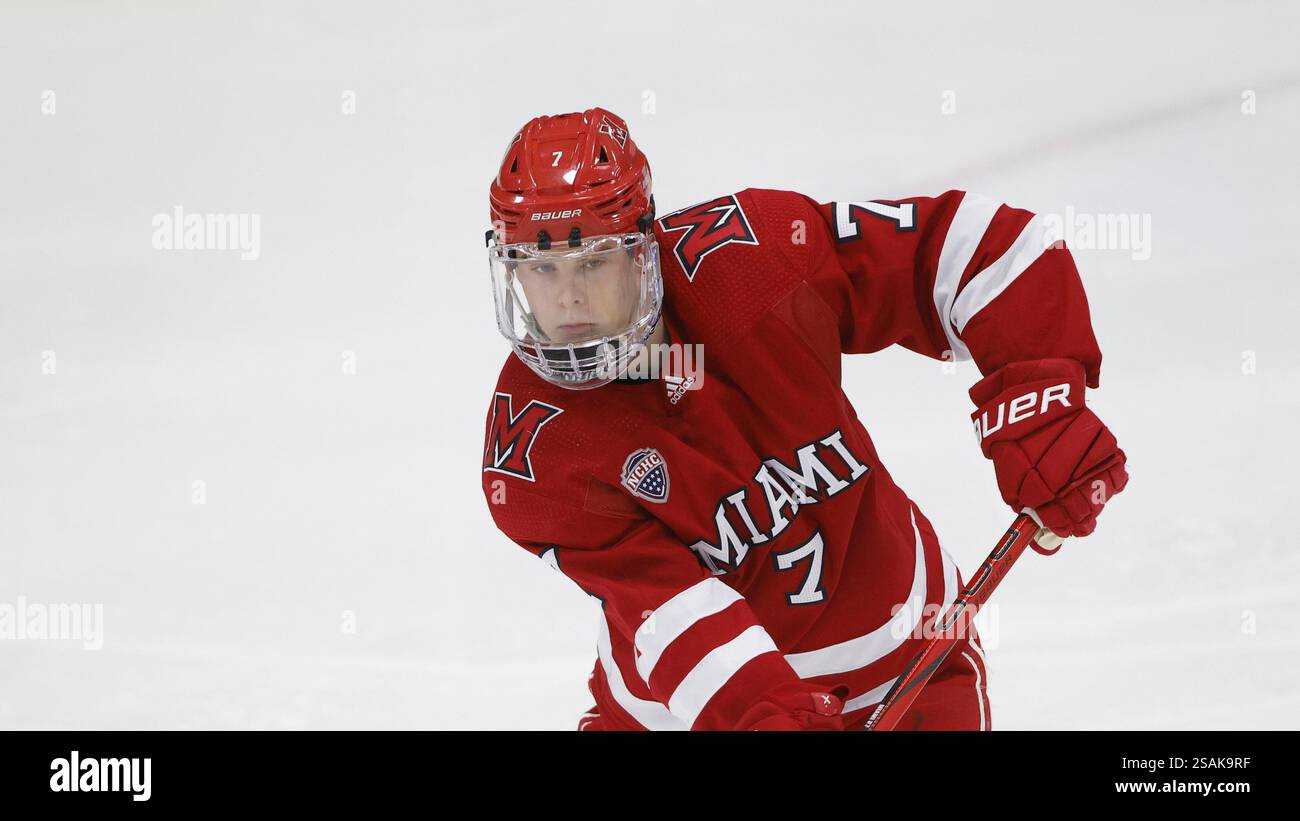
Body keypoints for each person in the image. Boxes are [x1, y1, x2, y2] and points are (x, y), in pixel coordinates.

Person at [479, 107, 1128, 730]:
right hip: (686, 717)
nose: (567, 296)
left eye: (593, 261)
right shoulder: (534, 445)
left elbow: (979, 247)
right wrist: (764, 717)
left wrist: (1041, 400)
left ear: (642, 249)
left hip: (909, 661)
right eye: (540, 267)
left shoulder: (752, 256)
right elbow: (676, 616)